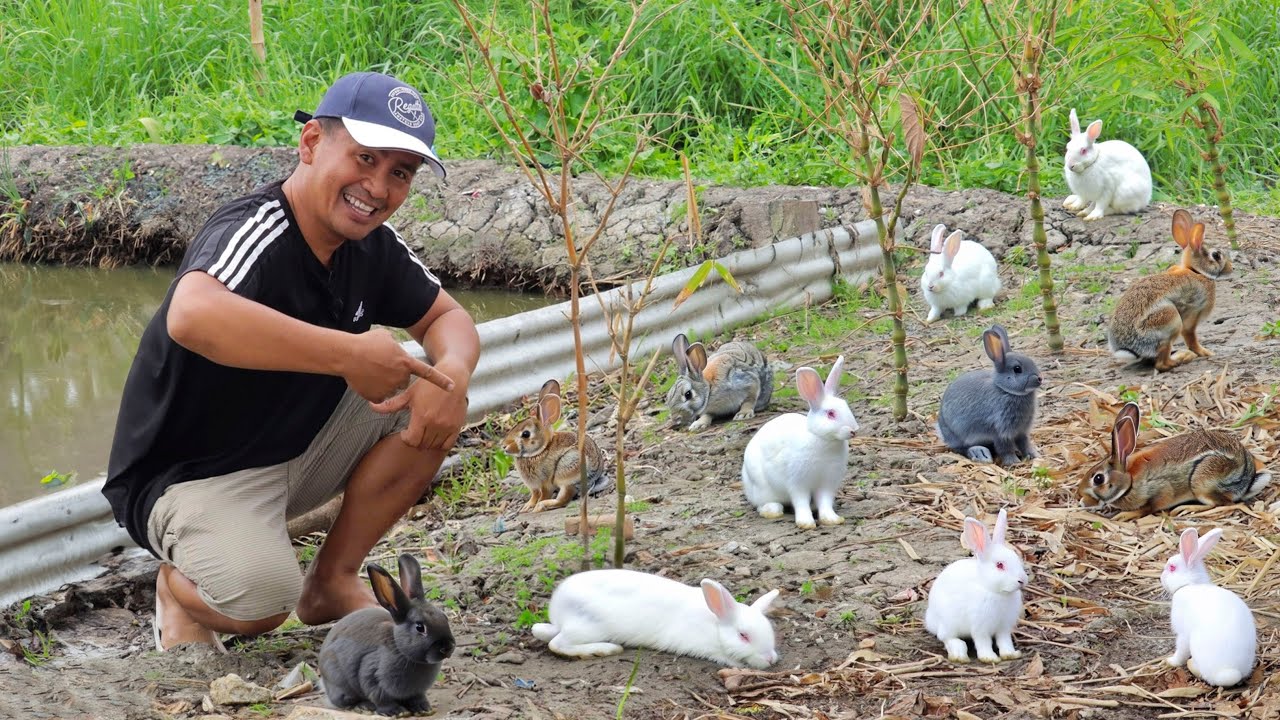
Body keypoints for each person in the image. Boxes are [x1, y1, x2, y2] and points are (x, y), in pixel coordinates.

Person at [103, 71, 480, 650]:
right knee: (259, 603)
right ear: (310, 145)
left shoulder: (369, 245)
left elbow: (447, 320)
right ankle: (177, 587)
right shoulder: (257, 229)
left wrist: (451, 375)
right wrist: (350, 352)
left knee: (430, 395)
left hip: (297, 451)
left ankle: (331, 581)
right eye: (365, 158)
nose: (377, 188)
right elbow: (192, 314)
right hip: (192, 477)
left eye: (398, 172)